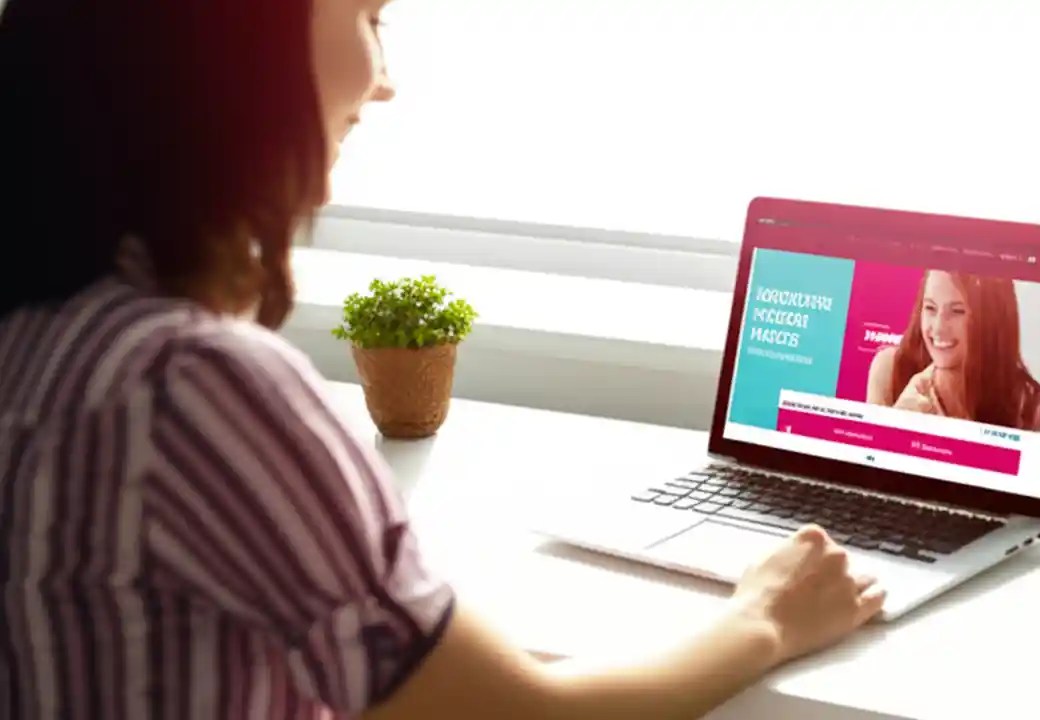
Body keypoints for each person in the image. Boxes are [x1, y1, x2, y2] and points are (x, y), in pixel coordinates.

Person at [0, 1, 886, 718]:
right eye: (369, 20)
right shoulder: (188, 386)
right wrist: (765, 618)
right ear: (237, 53)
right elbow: (519, 716)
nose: (384, 82)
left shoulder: (39, 335)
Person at [866, 269, 1040, 432]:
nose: (938, 328)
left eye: (957, 311)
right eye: (930, 308)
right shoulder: (890, 370)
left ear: (992, 319)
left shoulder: (1038, 411)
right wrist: (895, 428)